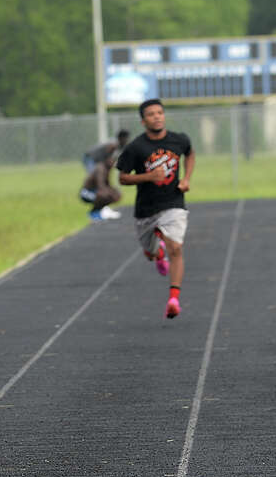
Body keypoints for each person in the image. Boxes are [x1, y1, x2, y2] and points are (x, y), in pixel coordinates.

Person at [117, 100, 194, 318]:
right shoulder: (136, 147)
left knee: (176, 248)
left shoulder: (179, 140)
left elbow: (190, 153)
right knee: (150, 254)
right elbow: (122, 178)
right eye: (151, 114)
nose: (157, 117)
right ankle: (157, 252)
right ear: (143, 121)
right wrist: (148, 177)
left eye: (160, 112)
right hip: (146, 209)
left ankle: (174, 299)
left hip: (173, 203)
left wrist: (186, 178)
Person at [80, 130, 129, 221]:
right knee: (103, 192)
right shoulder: (102, 166)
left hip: (97, 163)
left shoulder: (107, 169)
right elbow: (101, 186)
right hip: (86, 191)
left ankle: (101, 209)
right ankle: (95, 212)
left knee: (114, 193)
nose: (114, 162)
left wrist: (113, 191)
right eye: (112, 159)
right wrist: (108, 192)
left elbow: (107, 185)